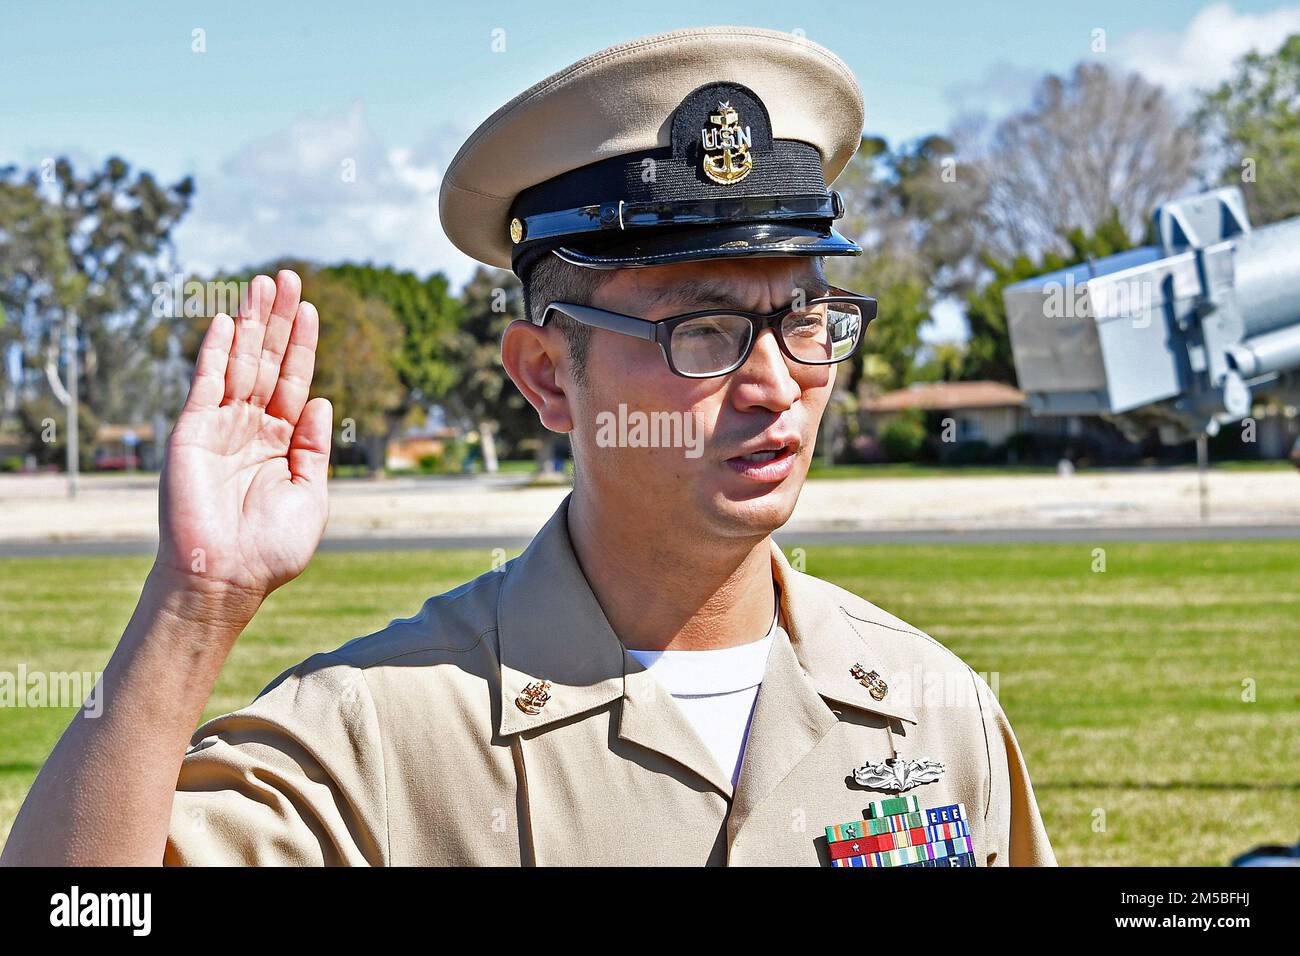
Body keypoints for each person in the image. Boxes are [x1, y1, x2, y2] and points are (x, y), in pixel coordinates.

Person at [1, 26, 1055, 867]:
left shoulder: (930, 708)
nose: (776, 382)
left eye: (801, 318)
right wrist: (197, 602)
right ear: (548, 376)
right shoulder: (383, 734)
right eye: (703, 330)